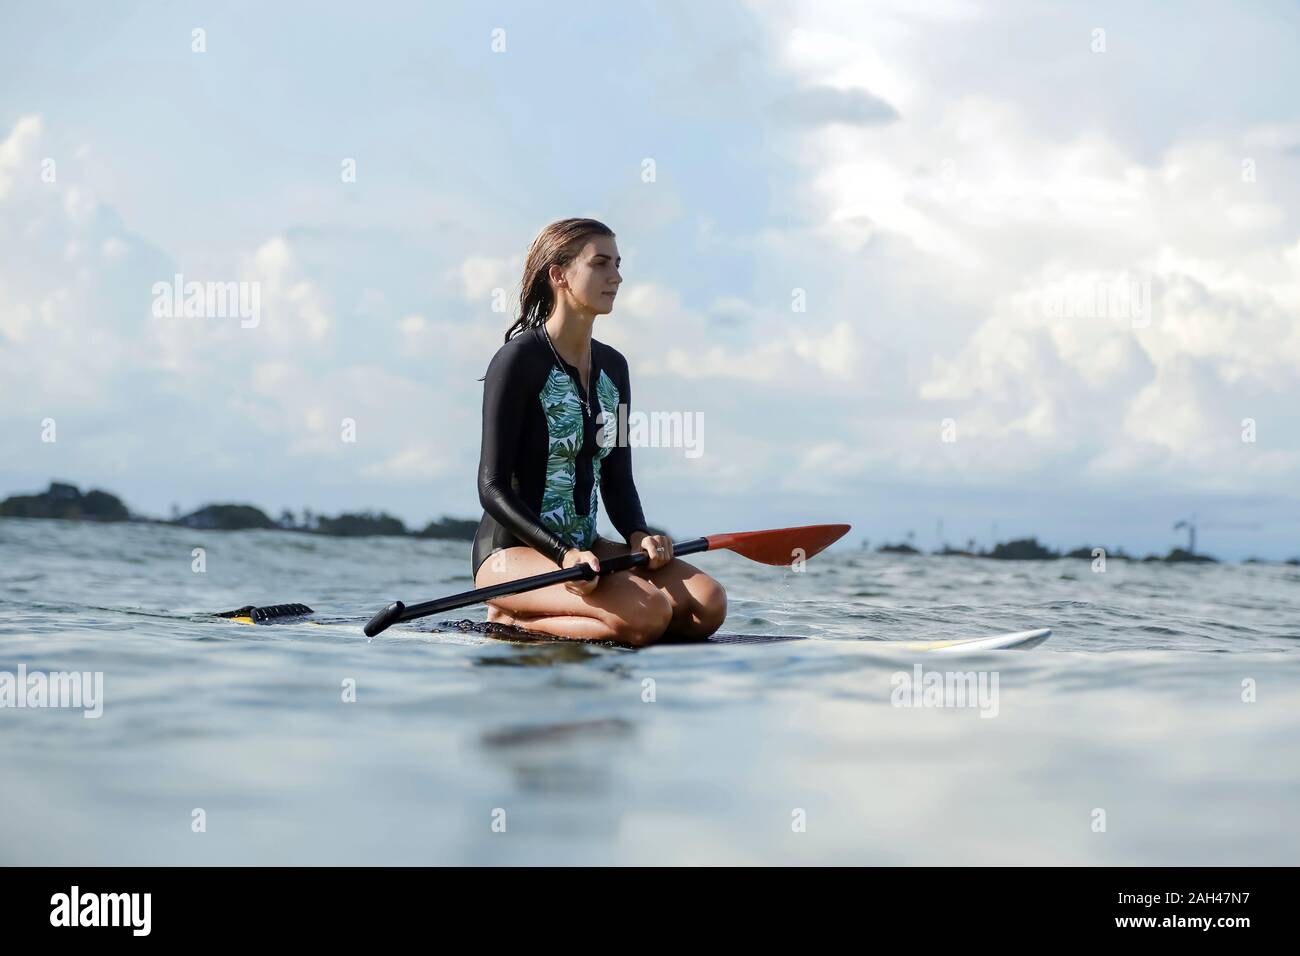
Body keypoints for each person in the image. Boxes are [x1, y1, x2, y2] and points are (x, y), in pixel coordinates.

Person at [472, 218, 727, 646]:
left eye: (618, 264)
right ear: (560, 275)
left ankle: (589, 614)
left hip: (587, 548)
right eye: (601, 264)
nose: (617, 277)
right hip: (510, 556)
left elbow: (617, 476)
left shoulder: (615, 367)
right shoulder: (517, 361)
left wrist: (638, 534)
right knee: (647, 615)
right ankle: (511, 615)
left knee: (707, 604)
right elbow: (491, 487)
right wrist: (563, 554)